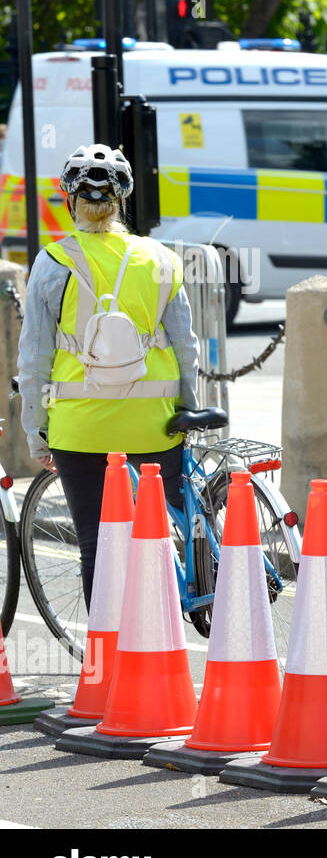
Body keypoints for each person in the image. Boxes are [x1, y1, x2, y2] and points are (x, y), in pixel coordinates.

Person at [17, 144, 200, 605]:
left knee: (97, 547)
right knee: (155, 543)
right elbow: (185, 348)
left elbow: (34, 356)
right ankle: (159, 651)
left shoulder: (52, 262)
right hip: (153, 428)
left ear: (70, 199)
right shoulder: (160, 260)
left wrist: (36, 432)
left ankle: (110, 665)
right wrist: (186, 411)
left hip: (81, 429)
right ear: (122, 200)